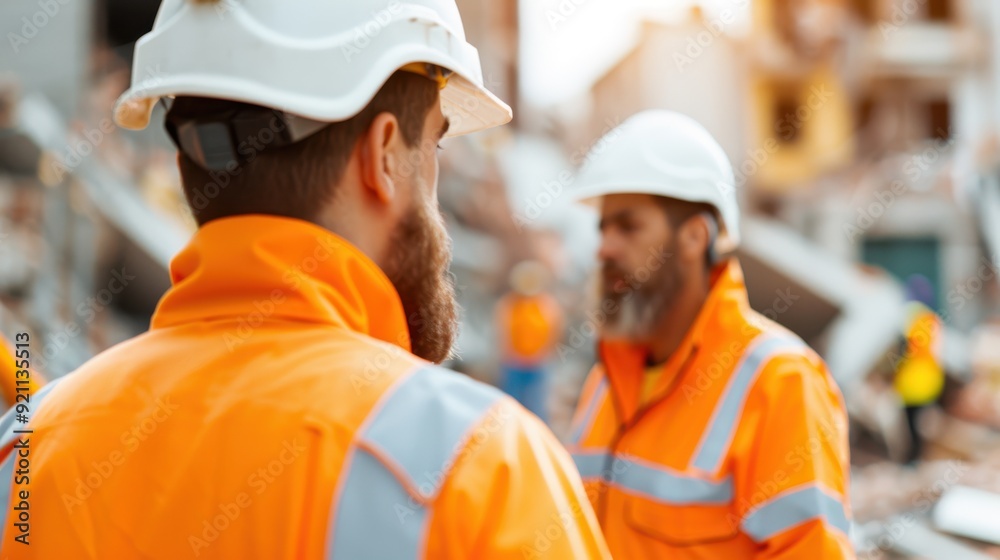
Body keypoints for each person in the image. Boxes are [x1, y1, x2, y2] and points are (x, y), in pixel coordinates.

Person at [0, 1, 610, 558]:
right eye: (436, 148)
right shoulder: (479, 469)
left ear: (188, 161)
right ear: (386, 155)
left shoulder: (25, 452)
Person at [565, 110, 854, 558]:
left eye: (628, 226)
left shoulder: (780, 382)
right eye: (602, 228)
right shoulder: (605, 381)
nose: (604, 247)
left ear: (695, 236)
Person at [496, 260, 564, 421]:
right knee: (510, 404)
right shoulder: (510, 304)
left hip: (537, 364)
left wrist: (546, 355)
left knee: (537, 406)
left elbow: (555, 332)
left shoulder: (547, 305)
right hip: (514, 363)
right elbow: (503, 333)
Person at [893, 274, 945, 465]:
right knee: (919, 422)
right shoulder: (933, 321)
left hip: (914, 380)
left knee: (911, 422)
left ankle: (913, 459)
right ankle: (918, 457)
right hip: (928, 379)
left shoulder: (912, 318)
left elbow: (906, 350)